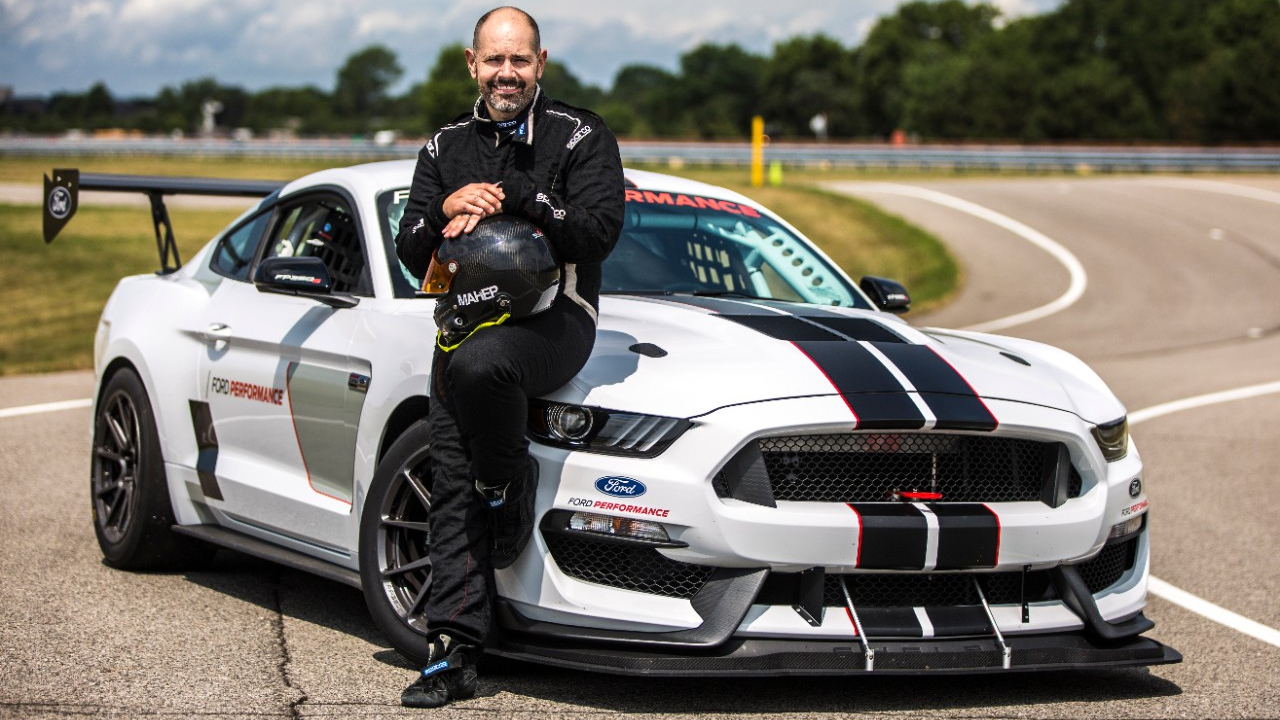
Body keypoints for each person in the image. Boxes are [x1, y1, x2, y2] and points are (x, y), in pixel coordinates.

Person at [393, 6, 625, 709]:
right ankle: (453, 652)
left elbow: (598, 233)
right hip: (463, 318)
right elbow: (410, 252)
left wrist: (526, 196)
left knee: (481, 369)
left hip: (558, 319)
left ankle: (507, 479)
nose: (506, 73)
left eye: (519, 60)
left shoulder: (581, 134)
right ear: (472, 64)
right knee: (451, 471)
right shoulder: (443, 147)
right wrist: (440, 214)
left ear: (541, 63)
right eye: (494, 60)